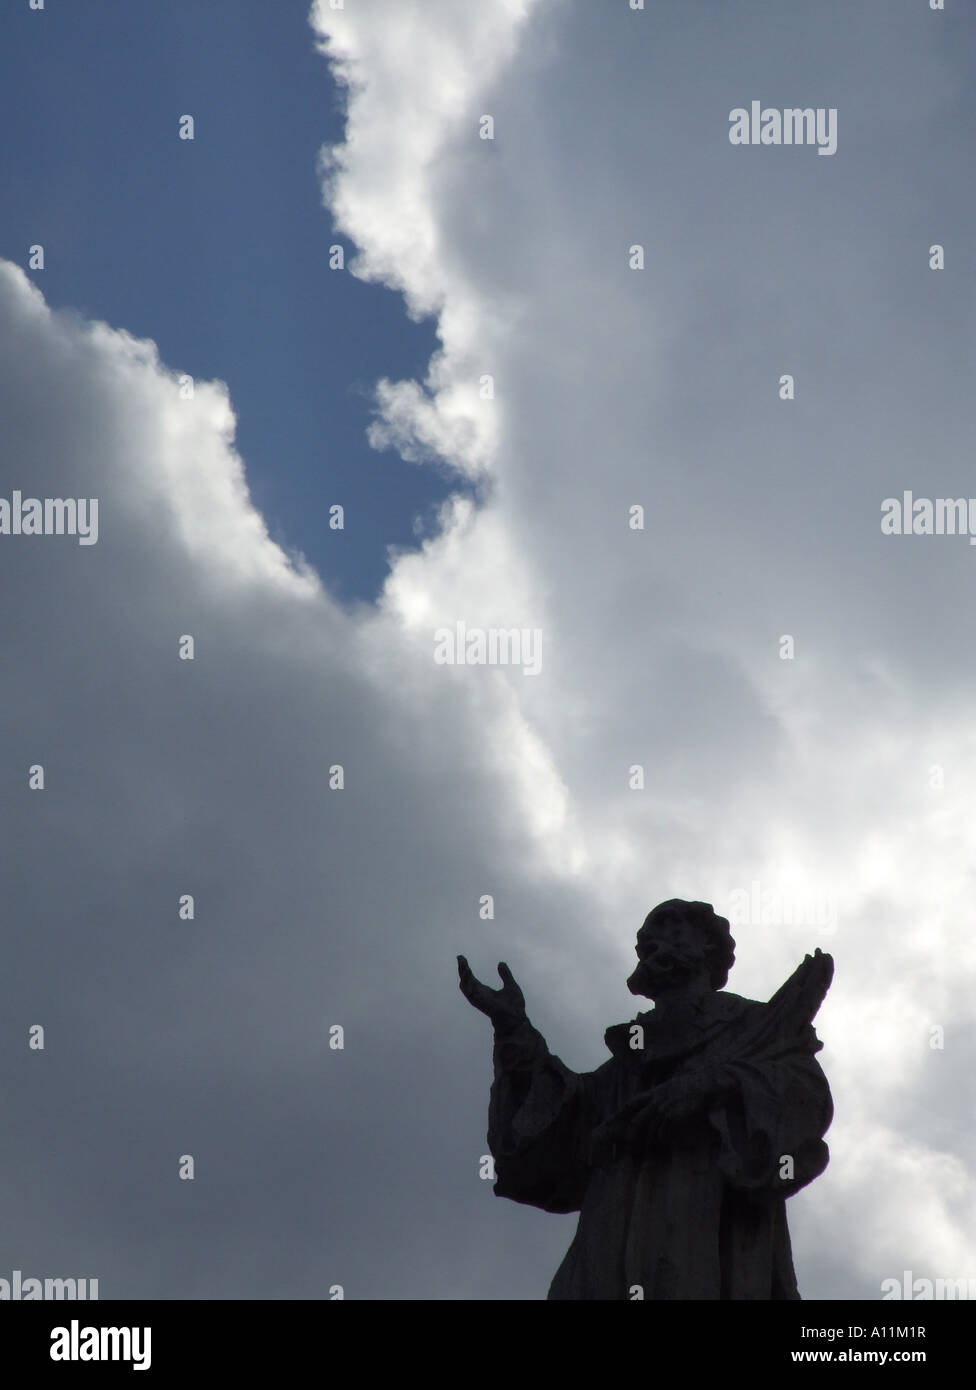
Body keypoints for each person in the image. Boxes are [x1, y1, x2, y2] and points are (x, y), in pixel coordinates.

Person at [458, 898, 833, 1299]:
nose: (652, 941)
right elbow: (566, 1121)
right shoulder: (632, 1054)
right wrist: (513, 1028)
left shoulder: (752, 1029)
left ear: (709, 946)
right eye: (646, 937)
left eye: (671, 927)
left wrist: (709, 1087)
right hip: (606, 1244)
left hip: (705, 1233)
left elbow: (802, 1098)